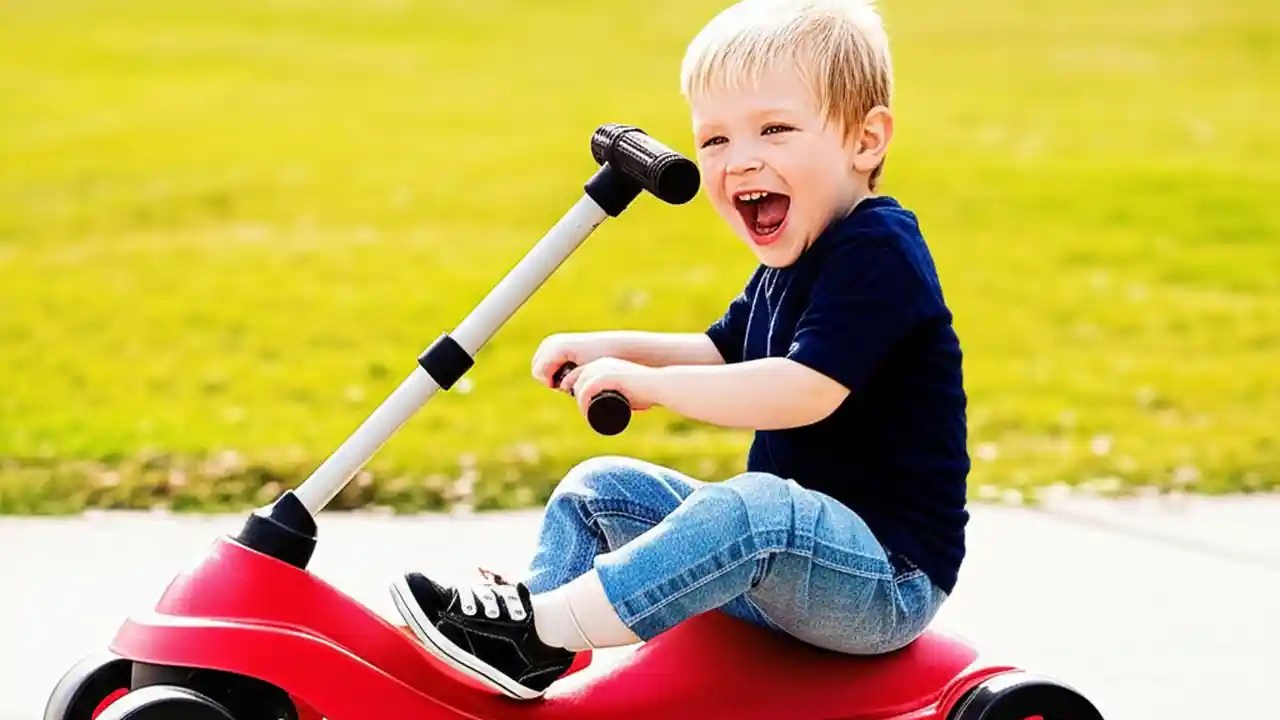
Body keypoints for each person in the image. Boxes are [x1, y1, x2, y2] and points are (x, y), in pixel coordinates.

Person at [390, 0, 970, 700]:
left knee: (754, 507)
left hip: (883, 580)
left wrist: (649, 386)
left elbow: (803, 391)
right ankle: (527, 649)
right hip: (783, 567)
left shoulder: (879, 251)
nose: (740, 160)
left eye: (775, 129)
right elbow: (720, 352)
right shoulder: (791, 259)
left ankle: (544, 625)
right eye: (715, 140)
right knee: (600, 490)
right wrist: (602, 345)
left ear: (866, 140)